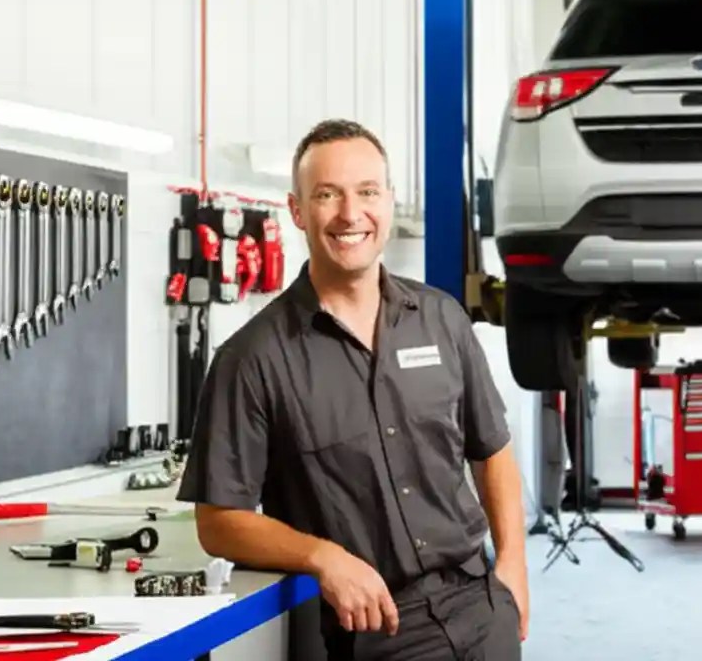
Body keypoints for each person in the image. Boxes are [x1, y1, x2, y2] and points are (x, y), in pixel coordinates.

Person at [176, 118, 529, 660]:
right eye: (327, 195)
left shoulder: (442, 319)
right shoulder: (251, 359)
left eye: (367, 192)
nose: (350, 214)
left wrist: (512, 565)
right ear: (297, 210)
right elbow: (219, 522)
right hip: (368, 633)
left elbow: (492, 449)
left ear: (388, 201)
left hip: (481, 611)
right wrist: (322, 556)